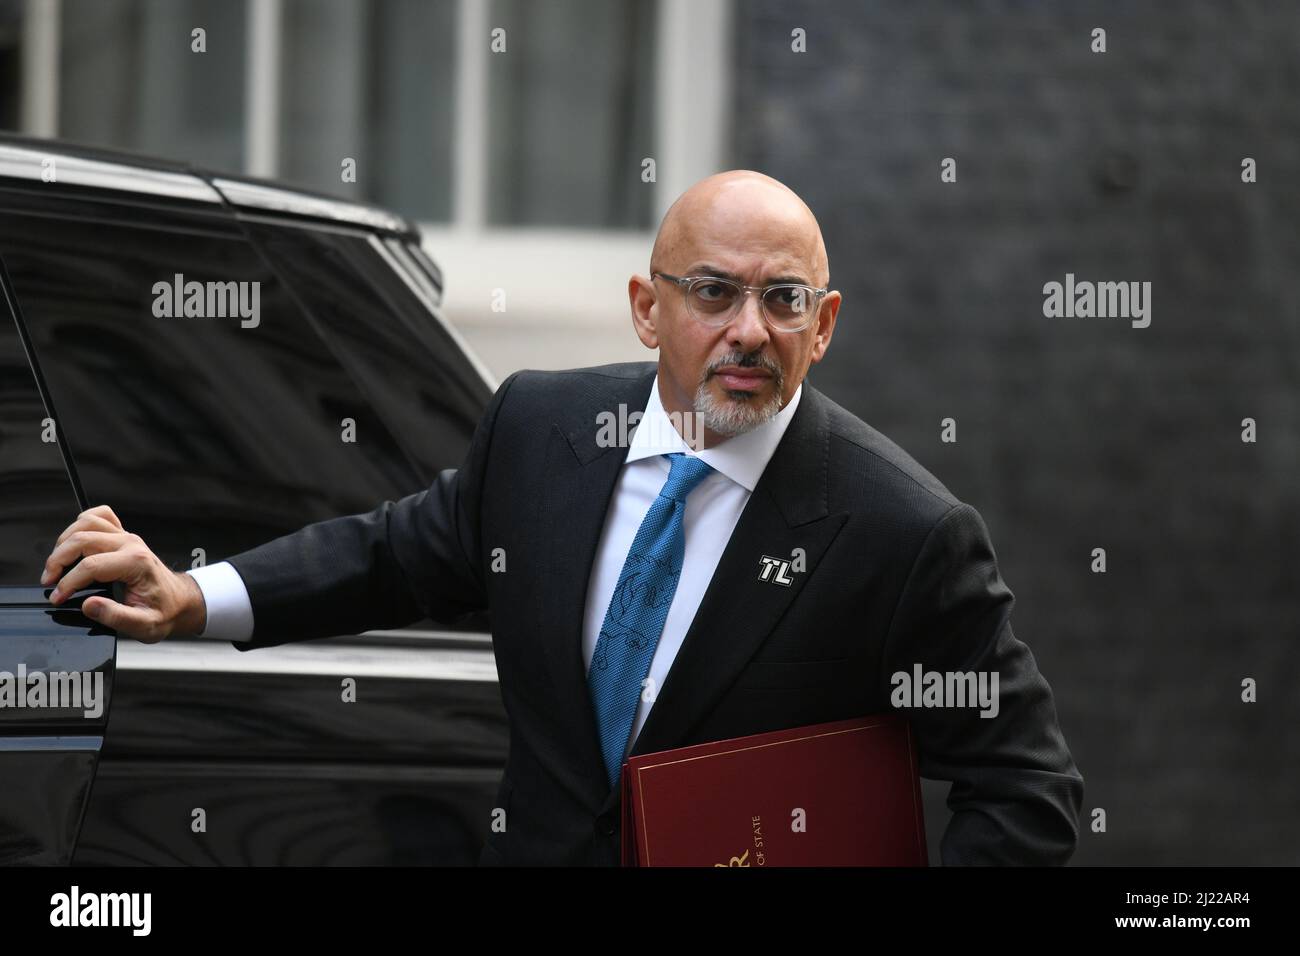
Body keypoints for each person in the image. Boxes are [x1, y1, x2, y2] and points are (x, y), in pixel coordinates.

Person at [41, 170, 1084, 866]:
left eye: (785, 300)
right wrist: (191, 596)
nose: (749, 330)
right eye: (714, 291)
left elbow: (1027, 787)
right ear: (647, 307)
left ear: (828, 322)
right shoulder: (542, 427)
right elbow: (398, 553)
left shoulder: (903, 532)